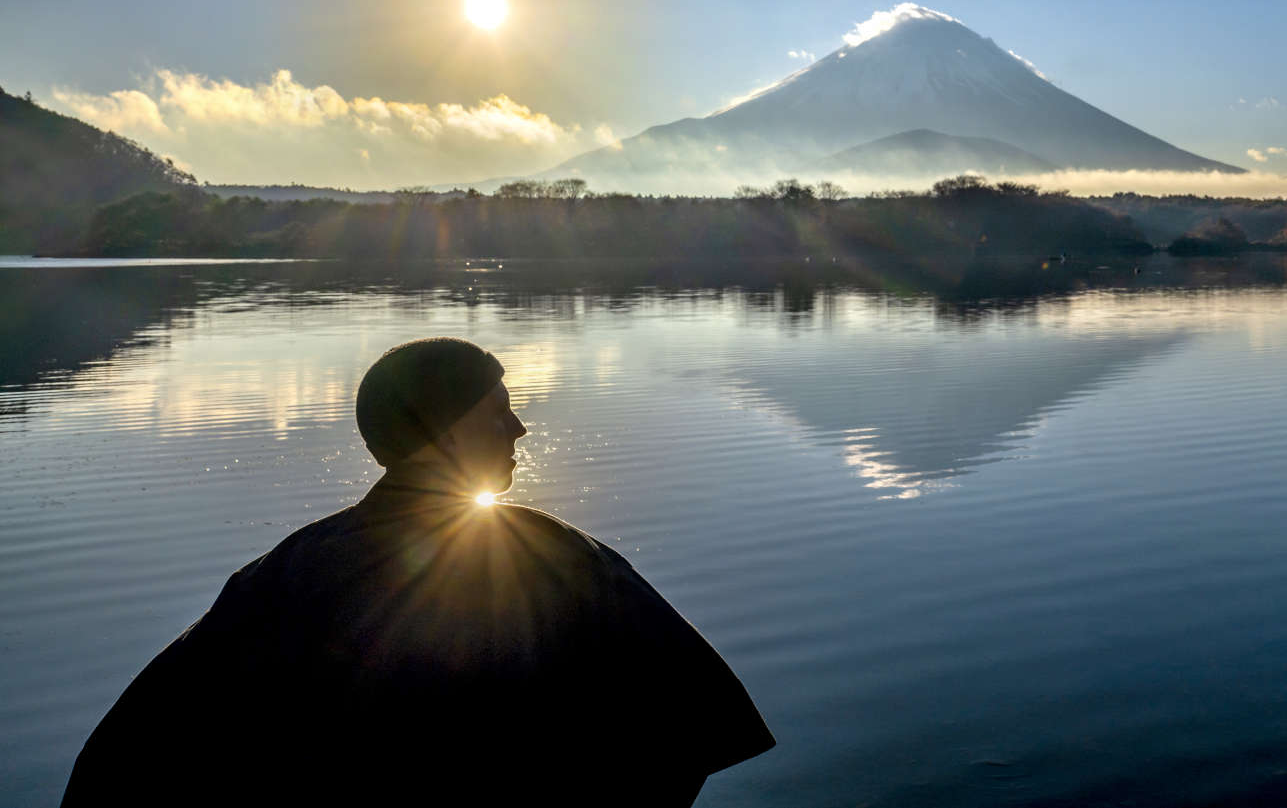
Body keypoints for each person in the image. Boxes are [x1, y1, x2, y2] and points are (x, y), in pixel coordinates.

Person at [63, 337, 774, 806]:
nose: (520, 428)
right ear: (444, 431)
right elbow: (699, 723)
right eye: (499, 411)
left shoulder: (283, 574)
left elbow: (119, 764)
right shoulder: (553, 557)